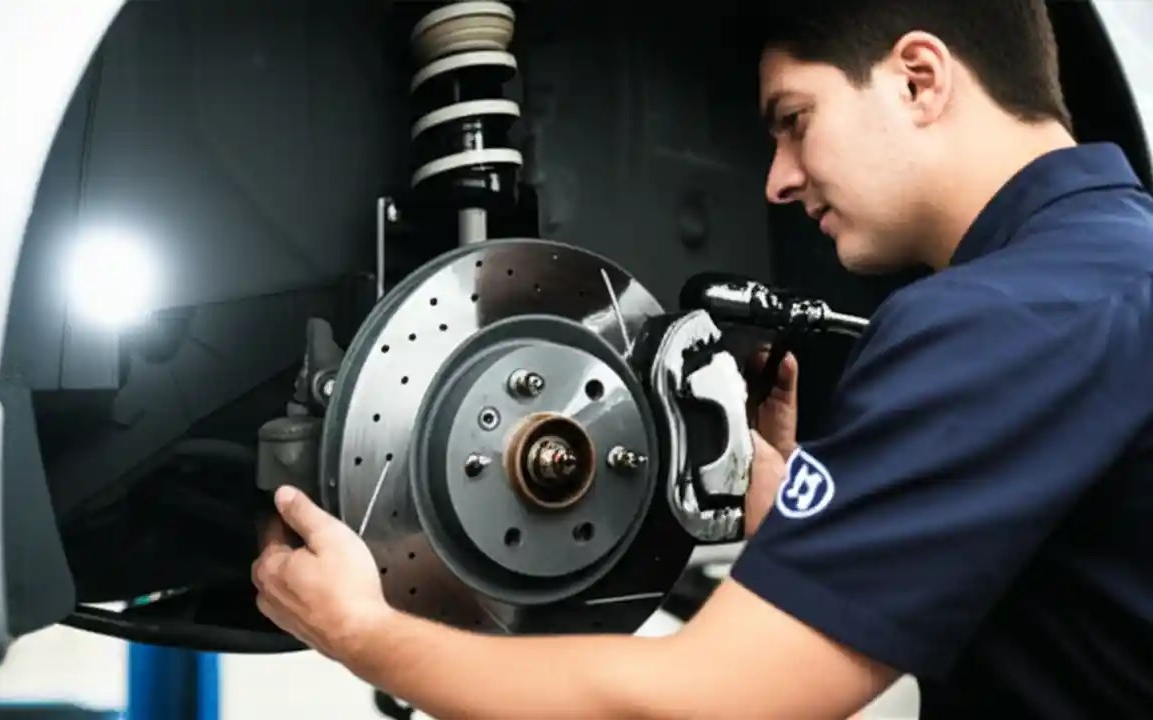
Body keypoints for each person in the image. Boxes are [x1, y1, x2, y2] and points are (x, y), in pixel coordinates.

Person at [252, 1, 1153, 716]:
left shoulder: (997, 320)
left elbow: (703, 705)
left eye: (794, 120)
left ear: (919, 78)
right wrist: (822, 536)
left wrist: (362, 633)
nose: (777, 180)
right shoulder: (1109, 270)